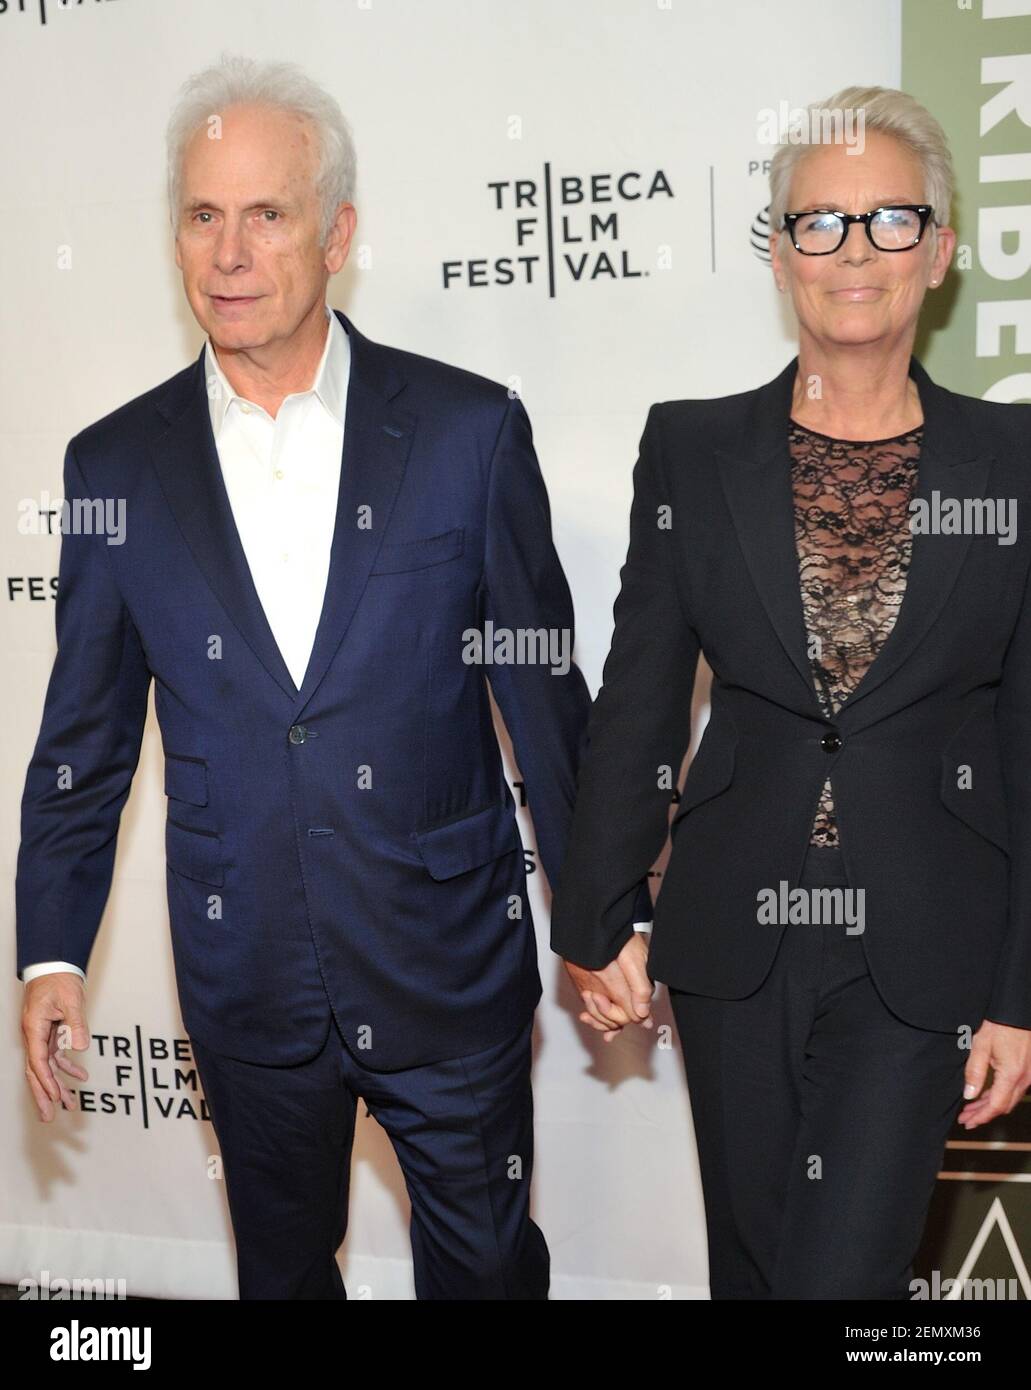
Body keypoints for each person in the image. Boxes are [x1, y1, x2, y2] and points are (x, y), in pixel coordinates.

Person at [16, 53, 602, 1300]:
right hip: (247, 974)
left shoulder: (465, 430)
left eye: (266, 214)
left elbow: (543, 699)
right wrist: (49, 950)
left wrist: (607, 914)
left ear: (336, 231)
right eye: (201, 214)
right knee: (281, 1276)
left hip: (445, 954)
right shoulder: (116, 465)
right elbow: (87, 733)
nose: (229, 252)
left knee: (490, 1273)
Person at [550, 85, 1031, 1300]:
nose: (851, 253)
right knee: (754, 1269)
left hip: (920, 946)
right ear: (778, 251)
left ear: (939, 248)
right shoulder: (692, 448)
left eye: (885, 220)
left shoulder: (1013, 462)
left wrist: (1020, 994)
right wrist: (597, 909)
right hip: (733, 936)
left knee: (838, 1278)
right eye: (817, 223)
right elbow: (642, 695)